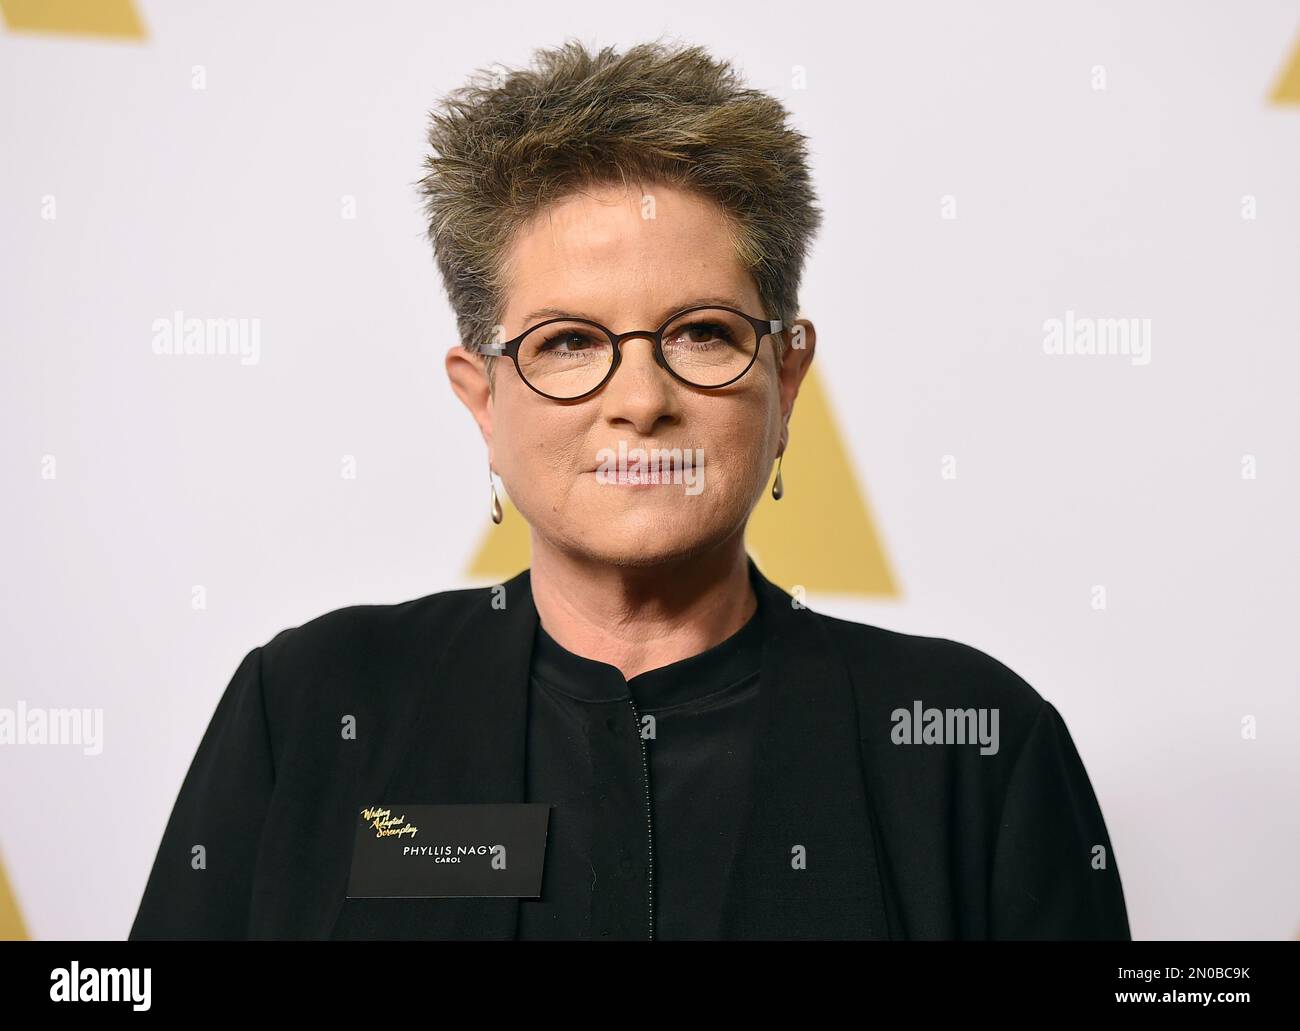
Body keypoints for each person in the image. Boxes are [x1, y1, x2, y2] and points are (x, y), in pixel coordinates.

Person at [129, 37, 1130, 941]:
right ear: (482, 397)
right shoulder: (312, 705)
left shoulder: (971, 744)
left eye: (702, 331)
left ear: (785, 378)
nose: (641, 399)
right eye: (568, 342)